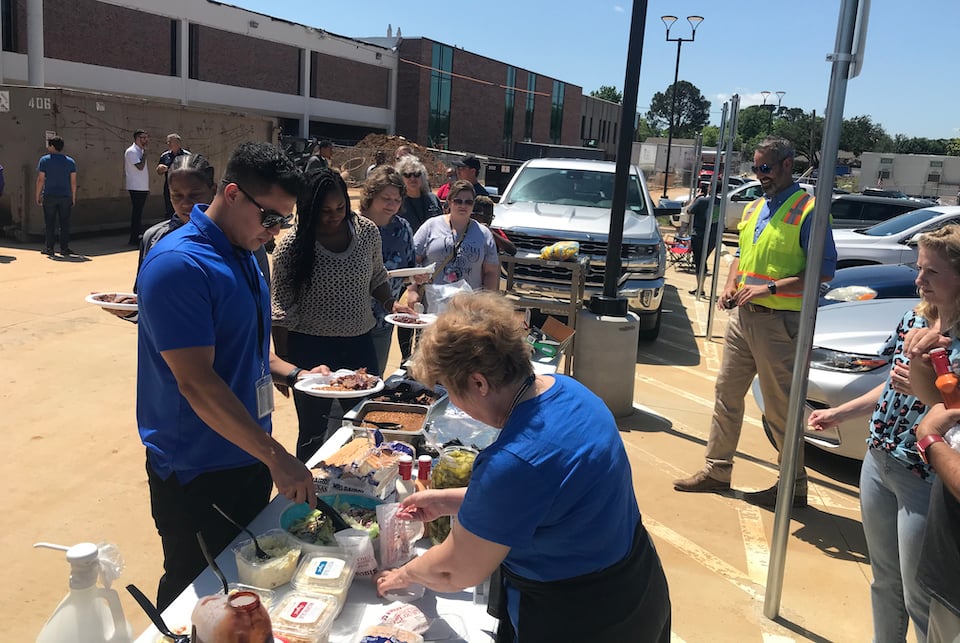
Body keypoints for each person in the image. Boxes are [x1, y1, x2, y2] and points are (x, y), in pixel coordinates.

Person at [375, 292, 672, 642]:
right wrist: (447, 501)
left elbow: (454, 571)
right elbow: (544, 494)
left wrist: (405, 573)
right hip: (636, 587)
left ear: (478, 383)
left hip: (576, 616)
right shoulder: (573, 392)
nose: (453, 403)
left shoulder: (511, 462)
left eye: (448, 390)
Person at [136, 142, 319, 610]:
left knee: (243, 589)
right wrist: (278, 457)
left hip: (247, 455)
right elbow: (196, 382)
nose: (275, 233)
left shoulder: (247, 252)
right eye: (271, 218)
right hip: (198, 470)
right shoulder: (180, 265)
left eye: (284, 221)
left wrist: (301, 374)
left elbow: (250, 353)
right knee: (193, 595)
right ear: (233, 194)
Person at [673, 136, 837, 508]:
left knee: (780, 407)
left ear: (786, 165)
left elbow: (822, 272)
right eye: (755, 168)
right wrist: (731, 286)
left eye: (765, 168)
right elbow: (739, 257)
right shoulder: (755, 209)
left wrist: (768, 289)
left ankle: (793, 485)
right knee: (726, 393)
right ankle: (717, 470)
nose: (759, 175)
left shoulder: (809, 209)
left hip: (780, 323)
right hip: (743, 319)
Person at [271, 168, 412, 460]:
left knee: (365, 421)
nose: (334, 215)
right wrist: (283, 363)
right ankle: (309, 490)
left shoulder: (366, 232)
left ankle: (360, 484)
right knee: (313, 430)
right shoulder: (293, 244)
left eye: (340, 207)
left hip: (360, 343)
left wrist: (391, 304)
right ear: (309, 208)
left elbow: (376, 277)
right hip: (310, 349)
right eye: (324, 210)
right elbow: (280, 310)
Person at [403, 179, 499, 311]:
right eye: (458, 201)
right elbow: (413, 260)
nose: (463, 205)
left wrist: (487, 302)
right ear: (449, 201)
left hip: (468, 308)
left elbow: (491, 272)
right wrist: (413, 291)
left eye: (468, 202)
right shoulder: (431, 226)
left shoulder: (484, 234)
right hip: (433, 305)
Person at [359, 166, 416, 376]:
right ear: (371, 196)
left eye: (397, 199)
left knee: (373, 379)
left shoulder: (403, 229)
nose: (392, 204)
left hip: (384, 318)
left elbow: (409, 269)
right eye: (386, 198)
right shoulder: (352, 225)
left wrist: (415, 278)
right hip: (349, 320)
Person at [35, 135, 78, 257]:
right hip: (65, 196)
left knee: (50, 223)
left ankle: (49, 248)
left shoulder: (44, 160)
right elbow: (73, 182)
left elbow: (41, 180)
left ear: (52, 146)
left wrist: (37, 195)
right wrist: (73, 197)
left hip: (50, 195)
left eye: (49, 145)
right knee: (64, 223)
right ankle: (64, 248)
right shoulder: (70, 161)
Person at [685, 183, 721, 295]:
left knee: (699, 262)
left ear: (711, 187)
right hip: (713, 236)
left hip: (699, 235)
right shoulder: (720, 203)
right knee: (702, 260)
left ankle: (700, 288)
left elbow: (688, 210)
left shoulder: (701, 201)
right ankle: (700, 287)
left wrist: (696, 197)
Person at [396, 155, 442, 232]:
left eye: (417, 174)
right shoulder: (397, 202)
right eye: (407, 175)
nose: (413, 178)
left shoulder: (433, 199)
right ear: (400, 177)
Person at [125, 129, 150, 246]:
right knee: (137, 212)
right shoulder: (132, 151)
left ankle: (137, 235)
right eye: (143, 138)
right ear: (137, 139)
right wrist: (145, 155)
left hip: (142, 186)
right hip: (135, 186)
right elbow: (140, 166)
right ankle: (134, 238)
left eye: (146, 138)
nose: (146, 140)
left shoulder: (140, 150)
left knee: (139, 212)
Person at [156, 133, 190, 218]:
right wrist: (160, 169)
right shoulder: (165, 155)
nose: (169, 144)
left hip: (183, 187)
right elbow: (158, 171)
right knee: (169, 208)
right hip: (169, 187)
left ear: (178, 143)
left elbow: (192, 171)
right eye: (168, 142)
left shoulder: (187, 155)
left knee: (182, 208)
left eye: (171, 142)